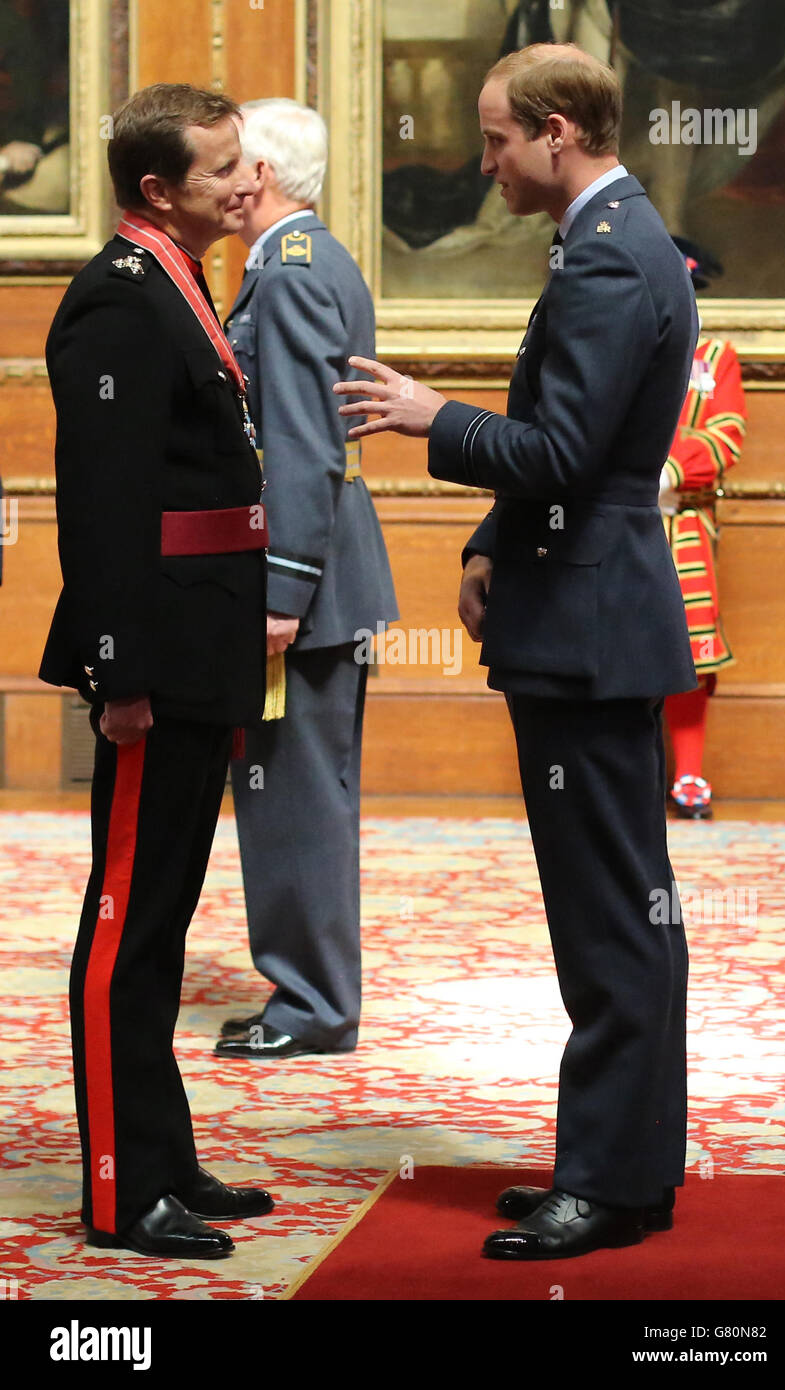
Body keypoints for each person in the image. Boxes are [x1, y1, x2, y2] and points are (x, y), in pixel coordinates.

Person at [335, 42, 698, 1260]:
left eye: (495, 139)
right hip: (583, 607)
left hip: (588, 629)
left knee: (608, 917)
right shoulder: (612, 238)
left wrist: (433, 416)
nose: (481, 161)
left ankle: (608, 1181)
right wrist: (496, 538)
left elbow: (562, 454)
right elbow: (564, 446)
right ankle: (623, 1165)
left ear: (556, 133)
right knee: (618, 905)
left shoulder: (605, 257)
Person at [39, 83, 275, 1259]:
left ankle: (166, 1153)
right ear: (158, 191)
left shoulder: (177, 282)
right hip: (156, 661)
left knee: (165, 923)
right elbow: (107, 507)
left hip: (201, 644)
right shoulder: (118, 305)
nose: (248, 178)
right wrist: (117, 671)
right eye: (223, 166)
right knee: (127, 920)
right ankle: (121, 1188)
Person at [214, 99, 398, 1061]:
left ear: (262, 174)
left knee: (294, 797)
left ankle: (312, 1005)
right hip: (328, 567)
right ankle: (308, 991)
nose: (218, 174)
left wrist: (281, 591)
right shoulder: (304, 260)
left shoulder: (284, 276)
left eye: (229, 158)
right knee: (300, 791)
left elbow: (296, 442)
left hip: (308, 582)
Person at [660, 243, 746, 818]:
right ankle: (632, 776)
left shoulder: (715, 357)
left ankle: (688, 776)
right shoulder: (624, 347)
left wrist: (670, 467)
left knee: (691, 657)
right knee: (618, 651)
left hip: (685, 523)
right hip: (617, 519)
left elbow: (727, 434)